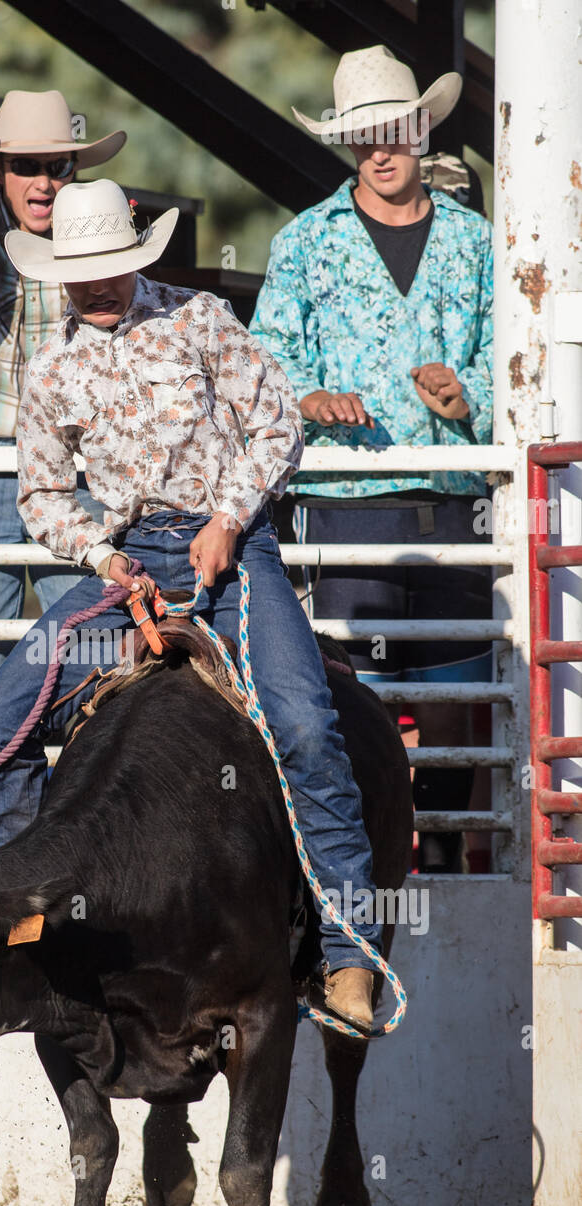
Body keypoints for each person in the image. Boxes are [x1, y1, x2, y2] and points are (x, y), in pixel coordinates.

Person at [0, 178, 382, 1030]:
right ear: (58, 274)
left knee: (303, 722)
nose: (100, 284)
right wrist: (104, 558)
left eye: (113, 265)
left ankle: (348, 955)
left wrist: (229, 517)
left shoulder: (199, 321)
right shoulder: (53, 369)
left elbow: (277, 427)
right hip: (127, 571)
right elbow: (42, 496)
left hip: (234, 553)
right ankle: (26, 925)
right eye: (83, 271)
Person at [249, 46, 494, 874]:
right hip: (347, 502)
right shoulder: (303, 243)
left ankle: (457, 852)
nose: (381, 150)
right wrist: (311, 400)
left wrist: (469, 400)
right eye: (364, 137)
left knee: (457, 696)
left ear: (422, 129)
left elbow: (511, 361)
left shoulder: (478, 243)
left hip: (457, 497)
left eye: (394, 131)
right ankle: (373, 860)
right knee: (361, 702)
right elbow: (266, 360)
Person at [0, 86, 124, 864]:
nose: (43, 183)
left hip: (73, 471)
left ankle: (69, 861)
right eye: (27, 169)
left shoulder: (94, 234)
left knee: (85, 674)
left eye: (57, 167)